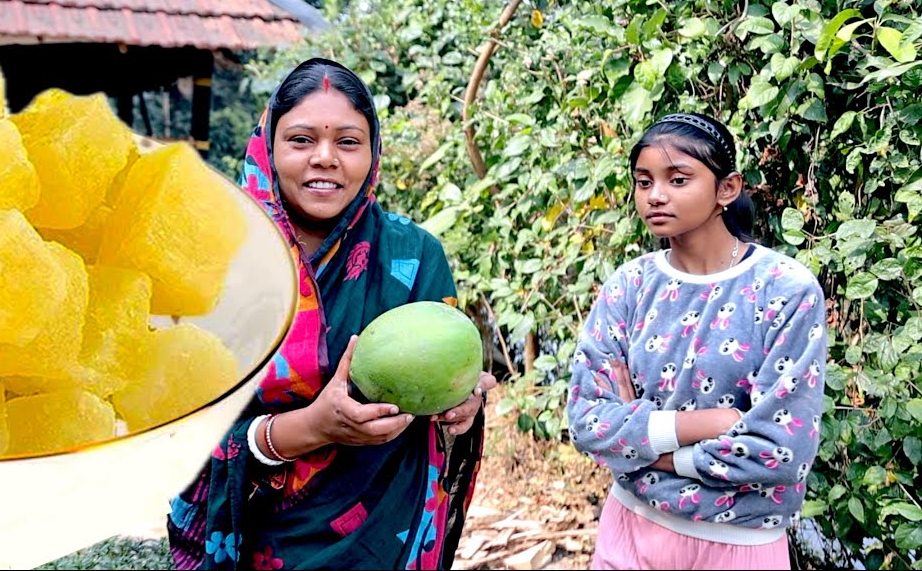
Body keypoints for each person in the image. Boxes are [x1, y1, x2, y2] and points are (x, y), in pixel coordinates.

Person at [167, 58, 496, 570]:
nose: (325, 158)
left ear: (373, 152)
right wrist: (314, 427)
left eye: (348, 142)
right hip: (258, 542)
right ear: (268, 148)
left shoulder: (413, 257)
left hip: (384, 542)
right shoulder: (211, 265)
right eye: (301, 140)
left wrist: (462, 403)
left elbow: (440, 385)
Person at [567, 112, 828, 569]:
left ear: (727, 189)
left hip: (738, 547)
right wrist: (716, 422)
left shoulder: (784, 290)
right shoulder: (630, 286)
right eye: (643, 182)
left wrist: (644, 445)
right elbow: (587, 423)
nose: (656, 195)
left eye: (678, 179)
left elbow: (781, 453)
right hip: (627, 531)